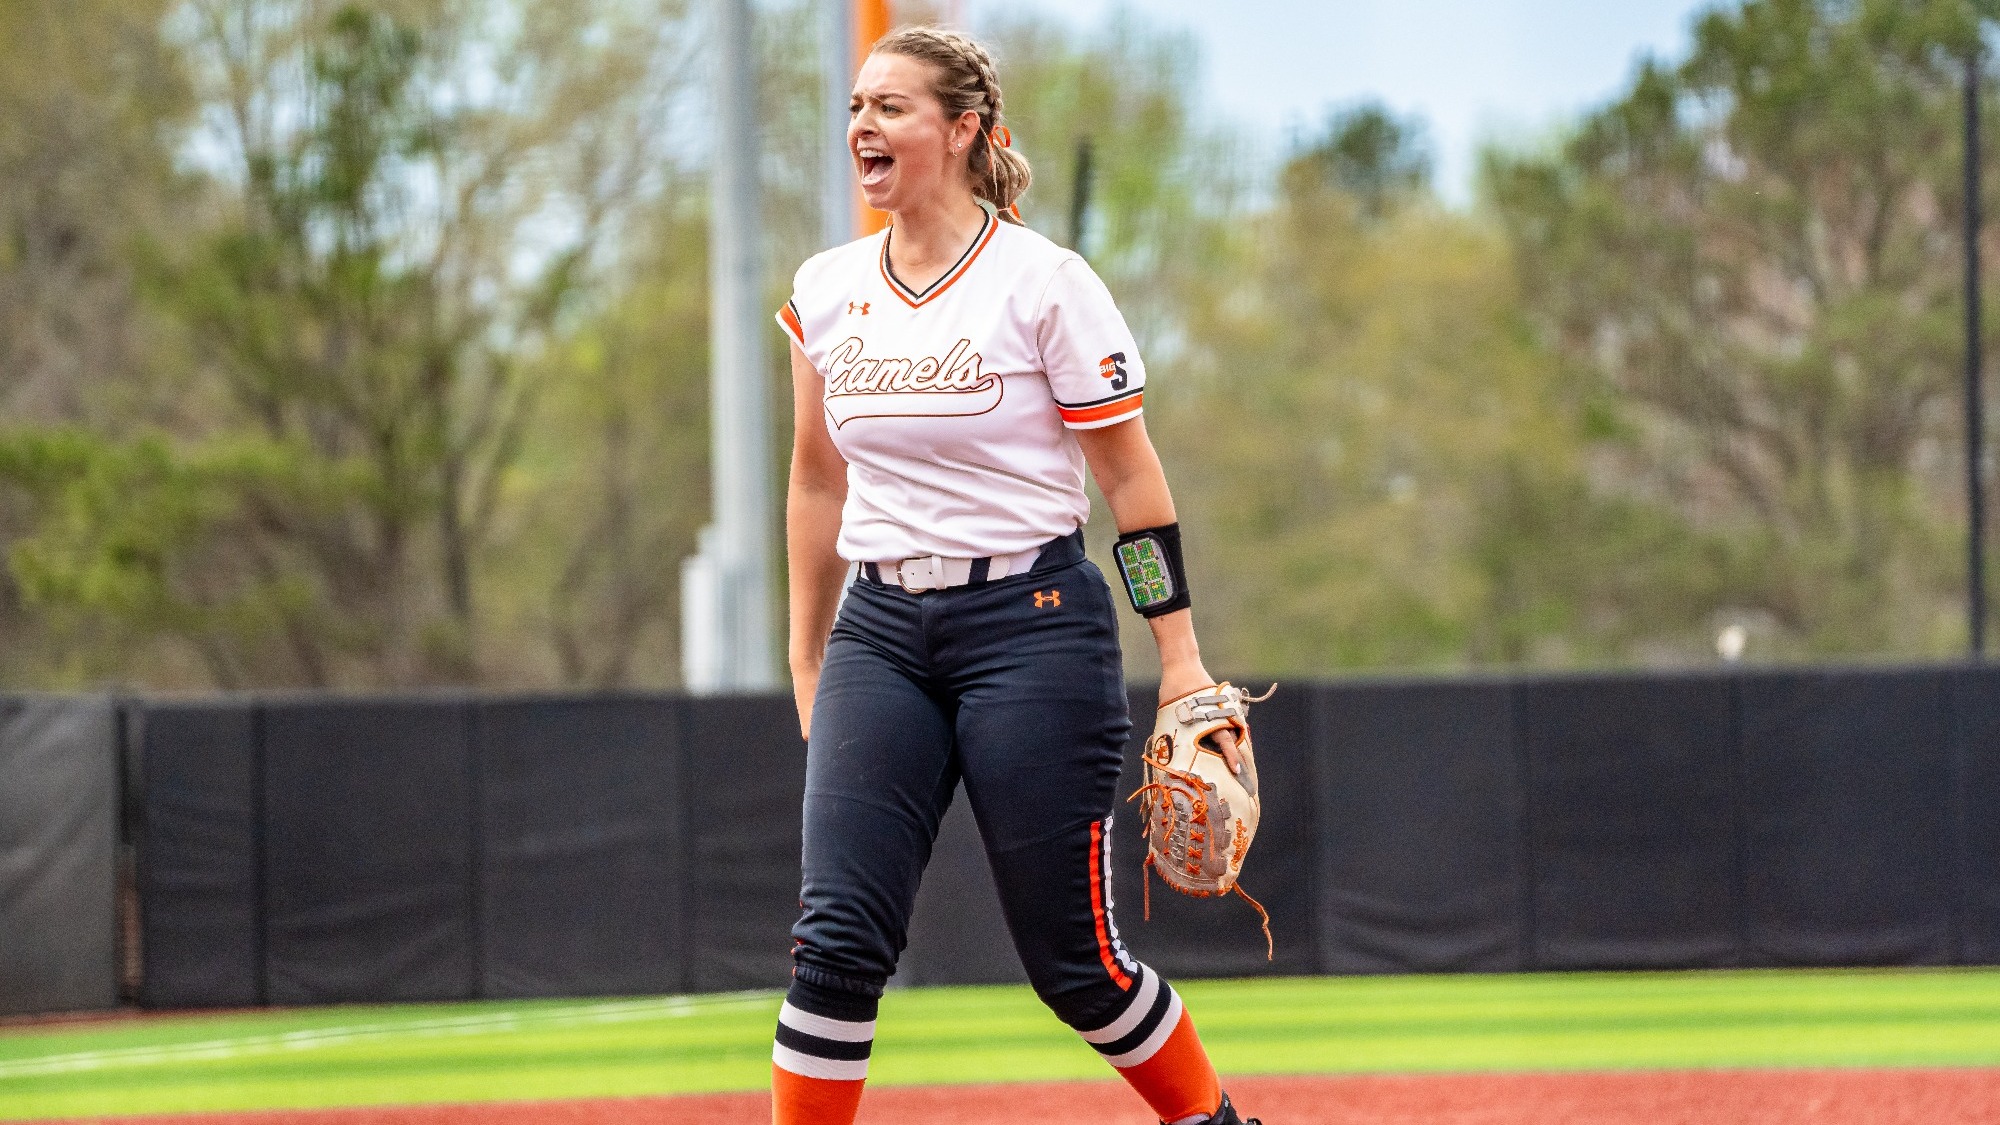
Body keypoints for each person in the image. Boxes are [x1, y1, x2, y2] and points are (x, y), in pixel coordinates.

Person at [774, 26, 1260, 1125]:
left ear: (963, 129)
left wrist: (1179, 659)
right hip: (878, 633)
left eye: (891, 106)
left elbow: (1134, 488)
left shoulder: (1043, 282)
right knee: (835, 946)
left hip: (1030, 626)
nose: (863, 125)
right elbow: (814, 483)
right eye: (857, 106)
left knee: (1074, 962)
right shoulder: (827, 288)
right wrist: (806, 651)